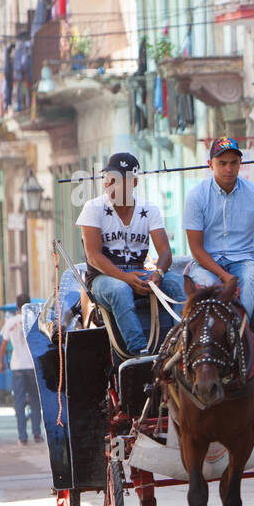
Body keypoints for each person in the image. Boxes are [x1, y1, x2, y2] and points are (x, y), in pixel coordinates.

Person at [77, 152, 186, 356]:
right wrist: (126, 278)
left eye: (119, 181)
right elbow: (93, 256)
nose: (111, 186)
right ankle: (139, 351)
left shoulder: (149, 209)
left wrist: (159, 274)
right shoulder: (92, 208)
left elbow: (165, 253)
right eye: (109, 180)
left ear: (134, 182)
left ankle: (185, 341)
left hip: (139, 273)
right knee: (120, 290)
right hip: (102, 278)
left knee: (178, 283)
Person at [184, 138, 254, 330]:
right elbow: (196, 249)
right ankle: (208, 337)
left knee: (250, 279)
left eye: (234, 162)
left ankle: (241, 332)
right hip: (207, 263)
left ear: (240, 163)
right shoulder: (196, 196)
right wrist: (224, 276)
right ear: (211, 165)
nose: (229, 169)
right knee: (210, 286)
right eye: (222, 163)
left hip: (244, 261)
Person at [0, 292, 42, 445]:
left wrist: (2, 363)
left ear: (17, 307)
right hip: (32, 366)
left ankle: (22, 437)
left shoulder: (11, 322)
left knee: (19, 402)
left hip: (17, 367)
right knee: (35, 400)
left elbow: (3, 345)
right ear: (29, 304)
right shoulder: (35, 320)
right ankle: (37, 434)